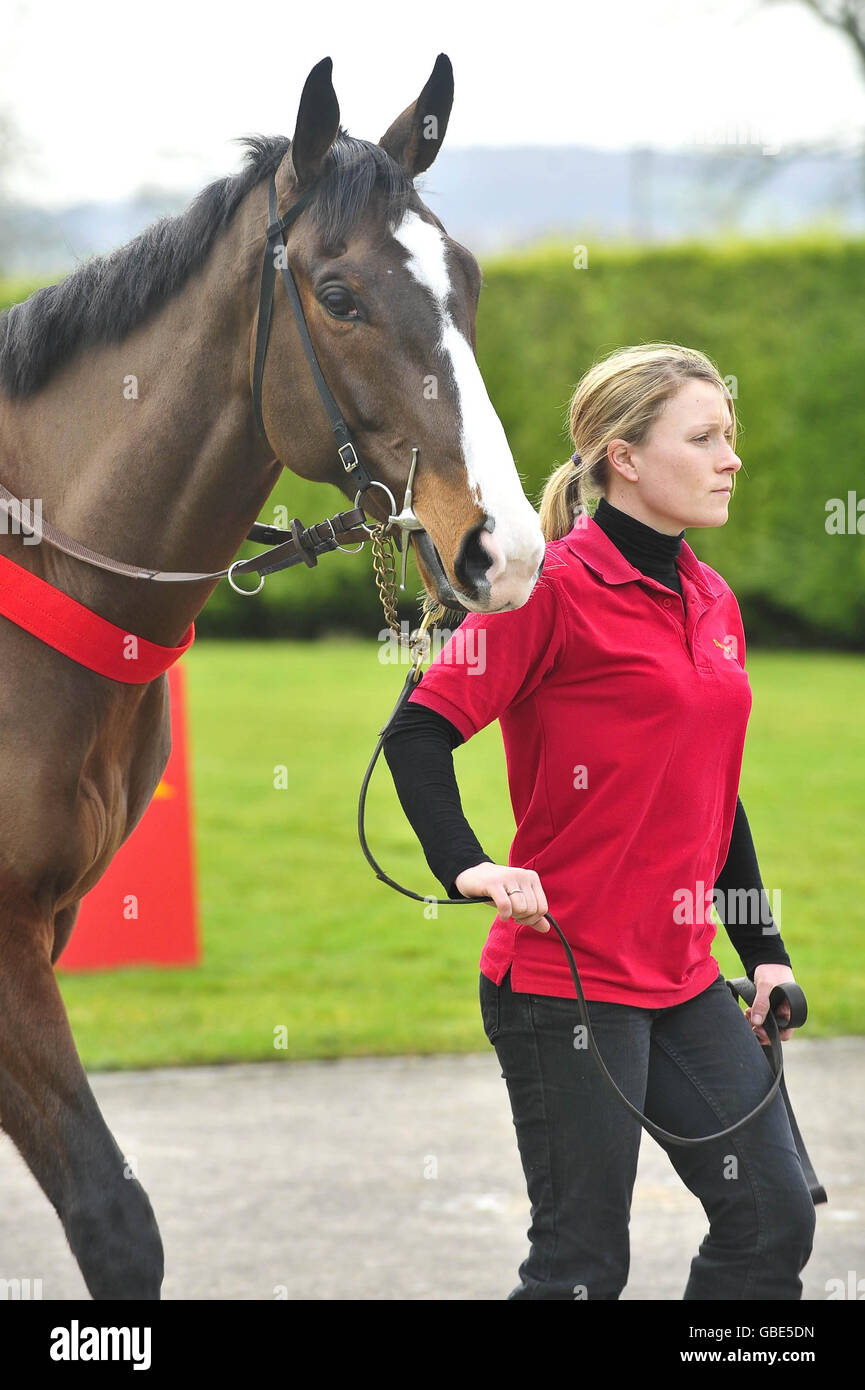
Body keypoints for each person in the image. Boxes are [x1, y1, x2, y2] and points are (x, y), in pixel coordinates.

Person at [382, 342, 816, 1300]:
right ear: (622, 457)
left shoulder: (710, 597)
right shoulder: (546, 592)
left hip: (684, 976)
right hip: (563, 983)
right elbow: (414, 735)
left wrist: (767, 948)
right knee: (580, 1266)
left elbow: (712, 788)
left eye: (728, 436)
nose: (729, 458)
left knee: (771, 1219)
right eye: (702, 438)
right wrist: (468, 866)